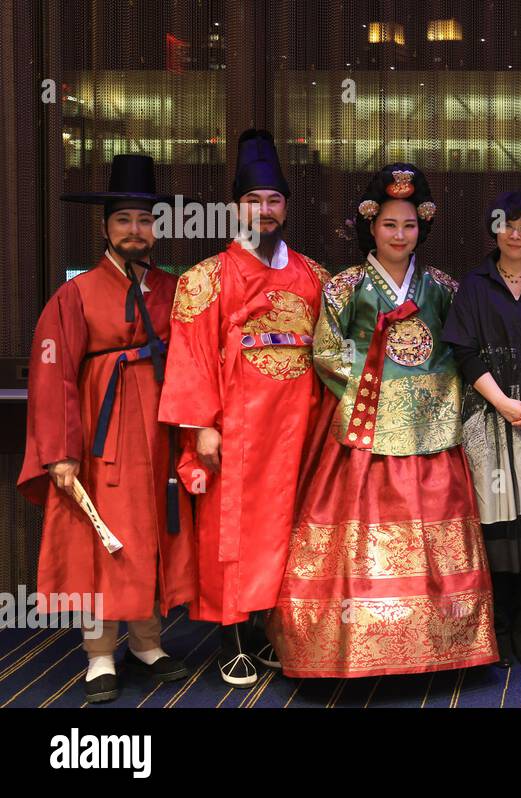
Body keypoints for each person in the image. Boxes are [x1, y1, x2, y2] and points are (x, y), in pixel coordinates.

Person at [267, 164, 497, 677]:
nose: (400, 235)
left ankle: (444, 649)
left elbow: (460, 350)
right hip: (364, 430)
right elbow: (325, 351)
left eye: (410, 225)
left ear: (423, 229)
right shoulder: (346, 286)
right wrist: (374, 391)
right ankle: (353, 648)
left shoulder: (441, 286)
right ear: (370, 226)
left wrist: (440, 399)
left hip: (431, 429)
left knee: (437, 530)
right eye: (390, 224)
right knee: (357, 535)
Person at [18, 154, 195, 703]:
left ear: (156, 228)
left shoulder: (172, 290)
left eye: (144, 221)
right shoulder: (75, 295)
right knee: (105, 542)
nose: (135, 231)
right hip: (101, 437)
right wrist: (60, 453)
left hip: (159, 435)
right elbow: (52, 379)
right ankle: (99, 654)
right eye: (123, 221)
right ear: (105, 228)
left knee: (150, 536)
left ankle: (147, 643)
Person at [158, 129, 331, 687]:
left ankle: (272, 631)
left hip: (298, 424)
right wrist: (202, 426)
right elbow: (190, 354)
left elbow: (331, 352)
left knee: (287, 530)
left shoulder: (314, 275)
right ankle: (233, 635)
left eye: (274, 200)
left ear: (287, 206)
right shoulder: (205, 278)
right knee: (231, 530)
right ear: (235, 208)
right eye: (253, 201)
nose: (264, 210)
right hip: (237, 423)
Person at [442, 191, 521, 668]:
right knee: (497, 518)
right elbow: (465, 352)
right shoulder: (473, 285)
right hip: (489, 420)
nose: (516, 233)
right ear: (494, 229)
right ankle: (497, 621)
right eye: (507, 224)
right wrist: (504, 403)